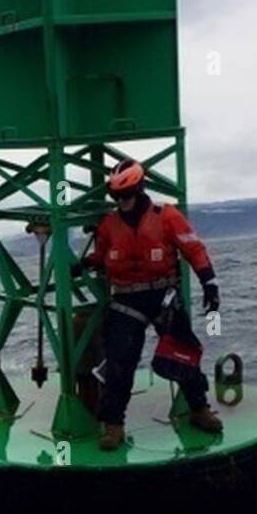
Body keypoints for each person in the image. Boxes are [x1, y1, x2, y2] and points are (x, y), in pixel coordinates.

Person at [84, 159, 223, 451]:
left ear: (140, 189)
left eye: (127, 195)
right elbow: (100, 256)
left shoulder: (167, 216)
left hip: (163, 297)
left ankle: (199, 408)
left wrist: (209, 284)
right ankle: (113, 425)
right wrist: (84, 264)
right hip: (126, 299)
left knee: (184, 354)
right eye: (116, 196)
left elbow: (194, 249)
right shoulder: (109, 224)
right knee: (119, 362)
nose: (122, 201)